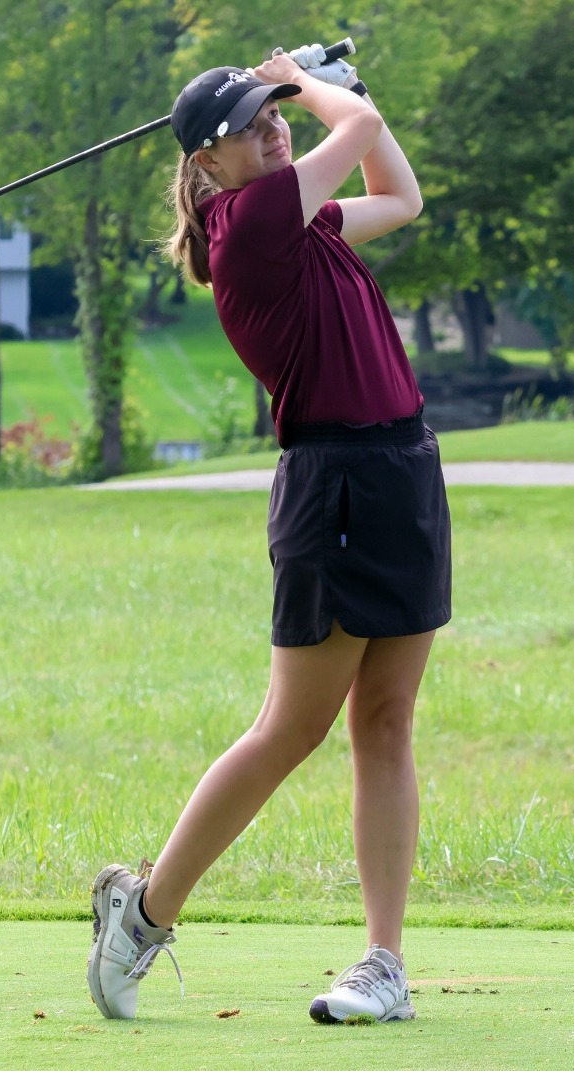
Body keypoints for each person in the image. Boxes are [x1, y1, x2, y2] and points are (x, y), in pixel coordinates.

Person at [86, 48, 449, 1026]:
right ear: (208, 167)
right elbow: (359, 134)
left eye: (276, 116)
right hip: (332, 485)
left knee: (386, 723)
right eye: (252, 123)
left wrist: (340, 83)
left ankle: (384, 962)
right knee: (293, 728)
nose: (273, 128)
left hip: (403, 466)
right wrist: (308, 79)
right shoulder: (247, 227)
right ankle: (146, 912)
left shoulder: (302, 218)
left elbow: (399, 192)